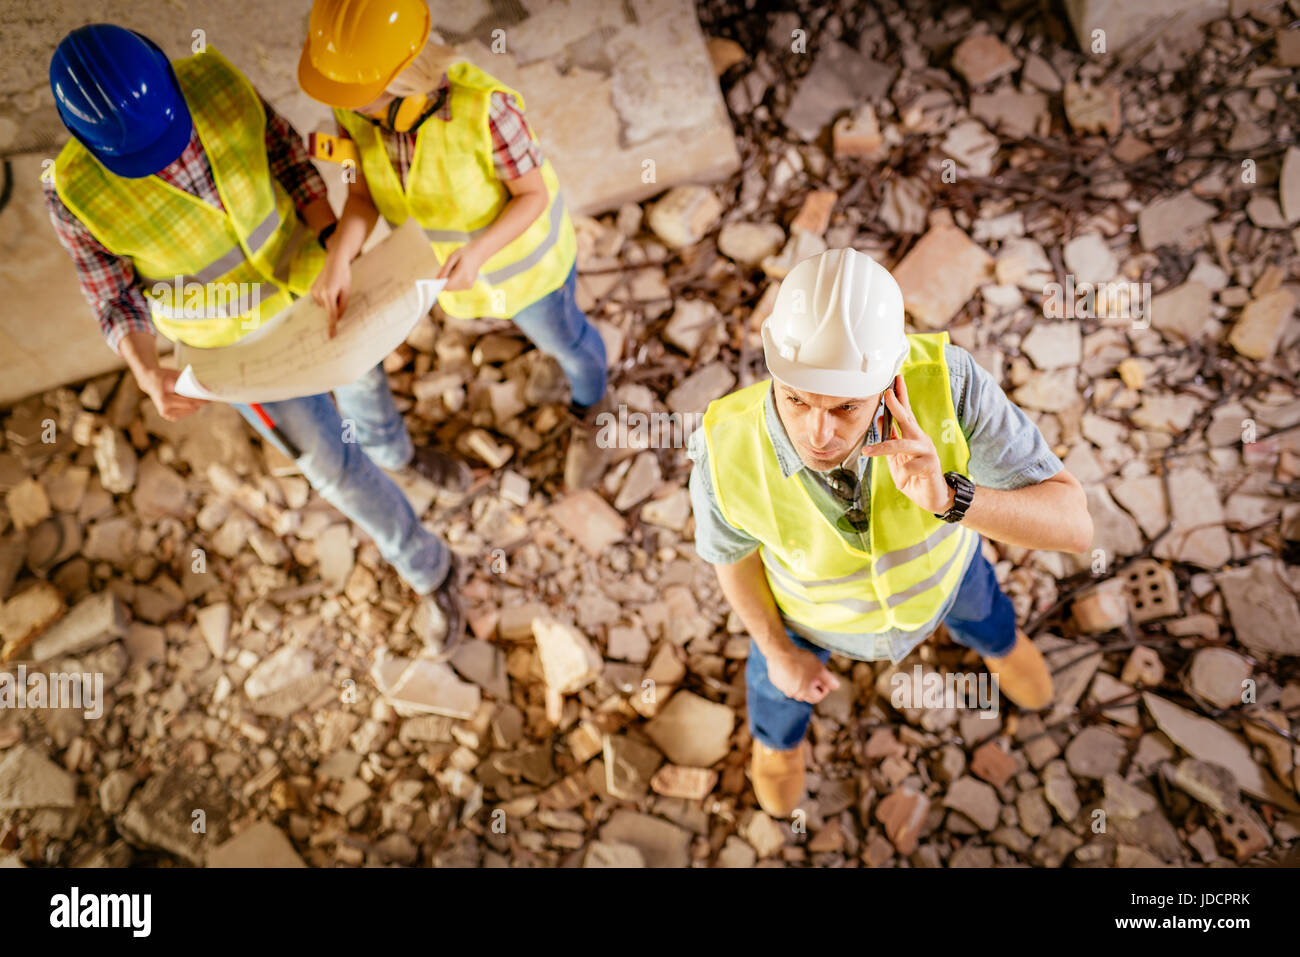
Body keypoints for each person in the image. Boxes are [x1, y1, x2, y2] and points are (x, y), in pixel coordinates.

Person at [45, 23, 466, 652]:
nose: (163, 158)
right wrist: (146, 372)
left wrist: (332, 244)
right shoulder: (72, 194)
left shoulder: (215, 81)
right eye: (143, 159)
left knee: (363, 378)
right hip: (237, 354)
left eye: (168, 139)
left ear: (168, 72)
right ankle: (430, 569)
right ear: (87, 142)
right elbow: (113, 296)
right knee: (332, 468)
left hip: (311, 285)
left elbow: (291, 162)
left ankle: (395, 451)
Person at [687, 248, 1094, 817]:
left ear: (888, 379)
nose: (818, 433)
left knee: (988, 616)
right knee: (776, 682)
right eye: (797, 399)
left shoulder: (949, 387)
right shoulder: (723, 445)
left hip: (945, 582)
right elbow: (730, 559)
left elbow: (1074, 525)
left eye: (847, 408)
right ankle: (779, 741)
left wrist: (951, 499)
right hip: (806, 616)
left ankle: (1000, 648)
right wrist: (778, 651)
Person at [297, 0, 612, 489]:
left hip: (528, 274)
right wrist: (340, 256)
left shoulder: (486, 109)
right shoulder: (355, 106)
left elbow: (533, 195)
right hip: (460, 279)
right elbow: (362, 195)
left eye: (357, 92)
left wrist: (481, 251)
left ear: (402, 75)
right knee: (550, 340)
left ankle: (594, 408)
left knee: (567, 342)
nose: (346, 103)